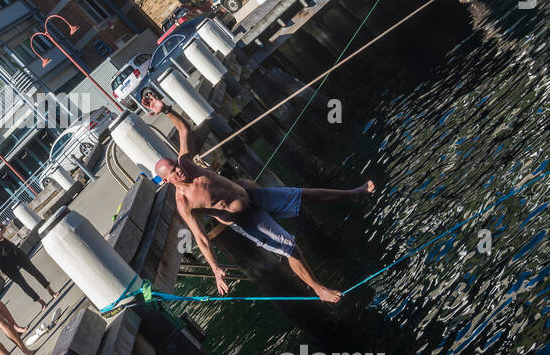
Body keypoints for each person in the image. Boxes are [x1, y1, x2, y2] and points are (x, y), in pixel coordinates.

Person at [140, 89, 375, 303]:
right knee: (289, 247)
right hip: (244, 218)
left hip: (251, 193)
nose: (178, 170)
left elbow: (184, 129)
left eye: (175, 166)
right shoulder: (184, 203)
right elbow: (201, 238)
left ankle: (353, 193)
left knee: (305, 194)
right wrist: (214, 269)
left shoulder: (186, 163)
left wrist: (166, 110)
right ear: (167, 180)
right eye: (173, 172)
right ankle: (318, 289)